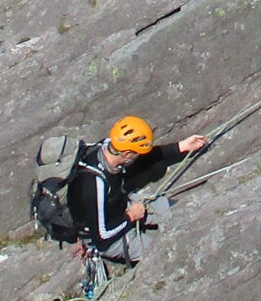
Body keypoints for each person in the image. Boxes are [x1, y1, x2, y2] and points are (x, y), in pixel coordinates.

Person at [63, 114, 209, 272]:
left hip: (120, 207)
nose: (138, 157)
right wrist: (131, 216)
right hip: (107, 238)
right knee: (163, 253)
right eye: (137, 154)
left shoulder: (108, 148)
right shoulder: (93, 184)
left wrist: (181, 146)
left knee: (180, 210)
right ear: (126, 154)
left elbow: (147, 158)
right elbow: (102, 235)